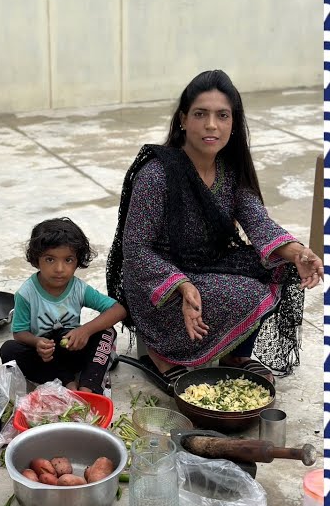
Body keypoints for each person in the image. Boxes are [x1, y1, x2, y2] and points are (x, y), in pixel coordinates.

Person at [106, 69, 322, 385]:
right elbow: (136, 251)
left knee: (281, 267)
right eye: (200, 114)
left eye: (222, 115)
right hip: (158, 282)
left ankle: (235, 354)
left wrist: (299, 253)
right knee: (244, 293)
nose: (211, 125)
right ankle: (162, 355)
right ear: (183, 119)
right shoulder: (157, 174)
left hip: (206, 266)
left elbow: (258, 222)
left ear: (233, 123)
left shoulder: (230, 171)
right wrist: (181, 284)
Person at [0, 218, 126, 393]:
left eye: (68, 260)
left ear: (77, 261)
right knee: (9, 350)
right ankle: (66, 383)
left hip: (74, 350)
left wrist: (85, 330)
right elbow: (19, 333)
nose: (59, 268)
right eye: (50, 259)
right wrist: (36, 342)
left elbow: (118, 310)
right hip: (45, 358)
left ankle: (88, 387)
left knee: (107, 333)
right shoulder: (26, 293)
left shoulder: (78, 288)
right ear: (37, 260)